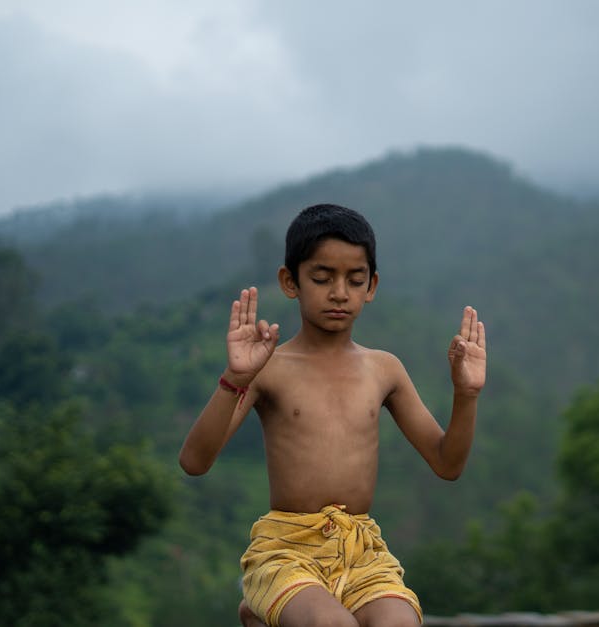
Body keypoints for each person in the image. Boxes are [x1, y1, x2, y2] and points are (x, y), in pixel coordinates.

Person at [178, 204, 486, 627]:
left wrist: (466, 394)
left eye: (354, 280)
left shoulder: (384, 369)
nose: (339, 292)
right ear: (291, 281)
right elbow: (195, 461)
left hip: (361, 552)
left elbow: (447, 463)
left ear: (371, 286)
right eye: (322, 278)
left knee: (402, 622)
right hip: (287, 549)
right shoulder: (269, 367)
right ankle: (268, 606)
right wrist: (234, 378)